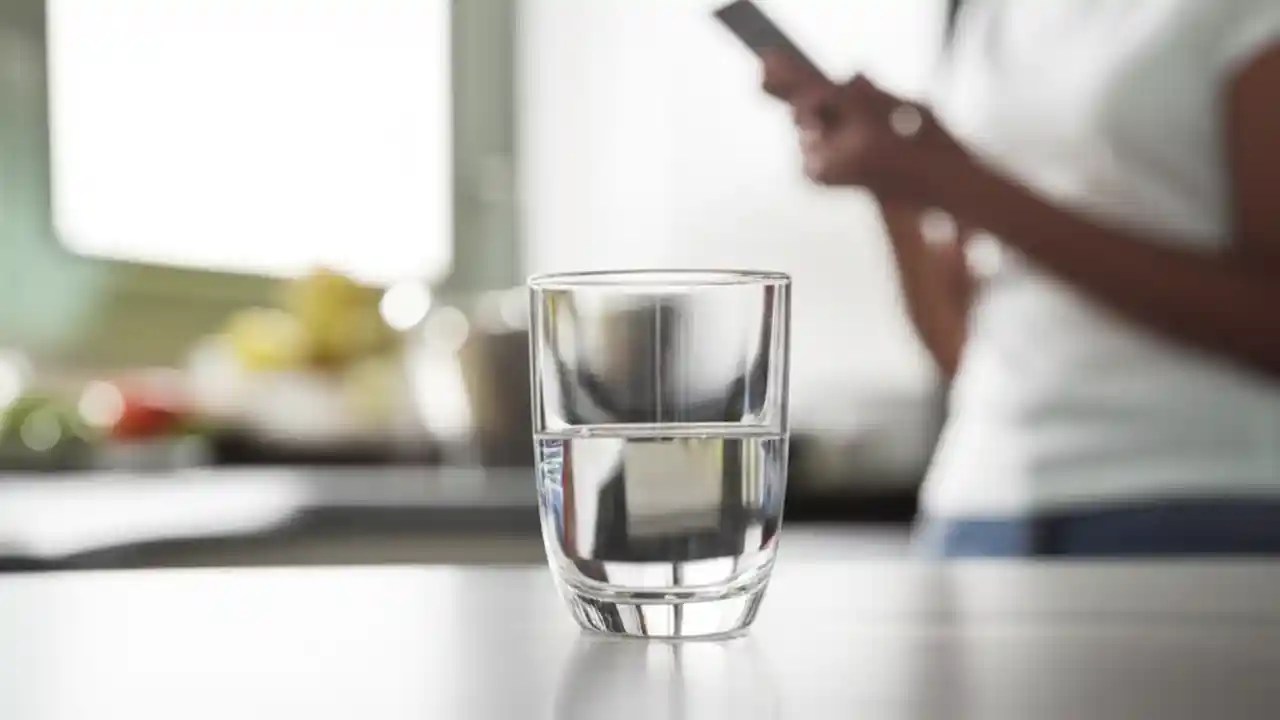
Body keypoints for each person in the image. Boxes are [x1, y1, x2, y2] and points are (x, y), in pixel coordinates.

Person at [761, 0, 1280, 556]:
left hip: (1198, 495)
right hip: (976, 502)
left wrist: (956, 183)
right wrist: (897, 184)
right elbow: (965, 349)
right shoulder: (993, 15)